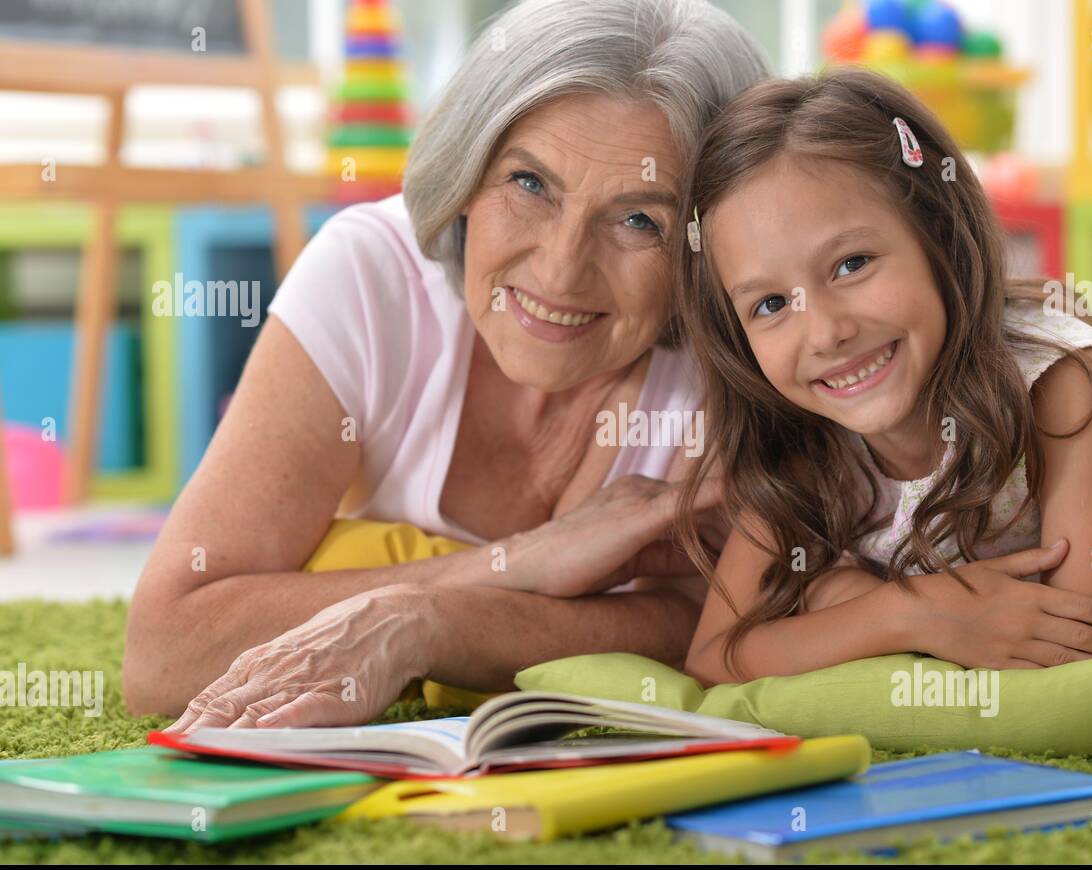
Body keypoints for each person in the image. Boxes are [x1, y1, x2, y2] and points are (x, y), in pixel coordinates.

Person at [125, 0, 770, 727]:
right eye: (529, 184)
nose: (560, 272)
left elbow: (710, 629)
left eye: (637, 220)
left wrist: (428, 624)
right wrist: (519, 562)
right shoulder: (369, 277)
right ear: (466, 174)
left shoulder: (739, 347)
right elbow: (164, 654)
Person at [671, 70, 1092, 686]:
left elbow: (1091, 652)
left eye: (852, 264)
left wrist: (842, 602)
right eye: (771, 305)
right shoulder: (801, 433)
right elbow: (716, 654)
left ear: (939, 236)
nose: (825, 333)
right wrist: (907, 612)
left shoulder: (1066, 386)